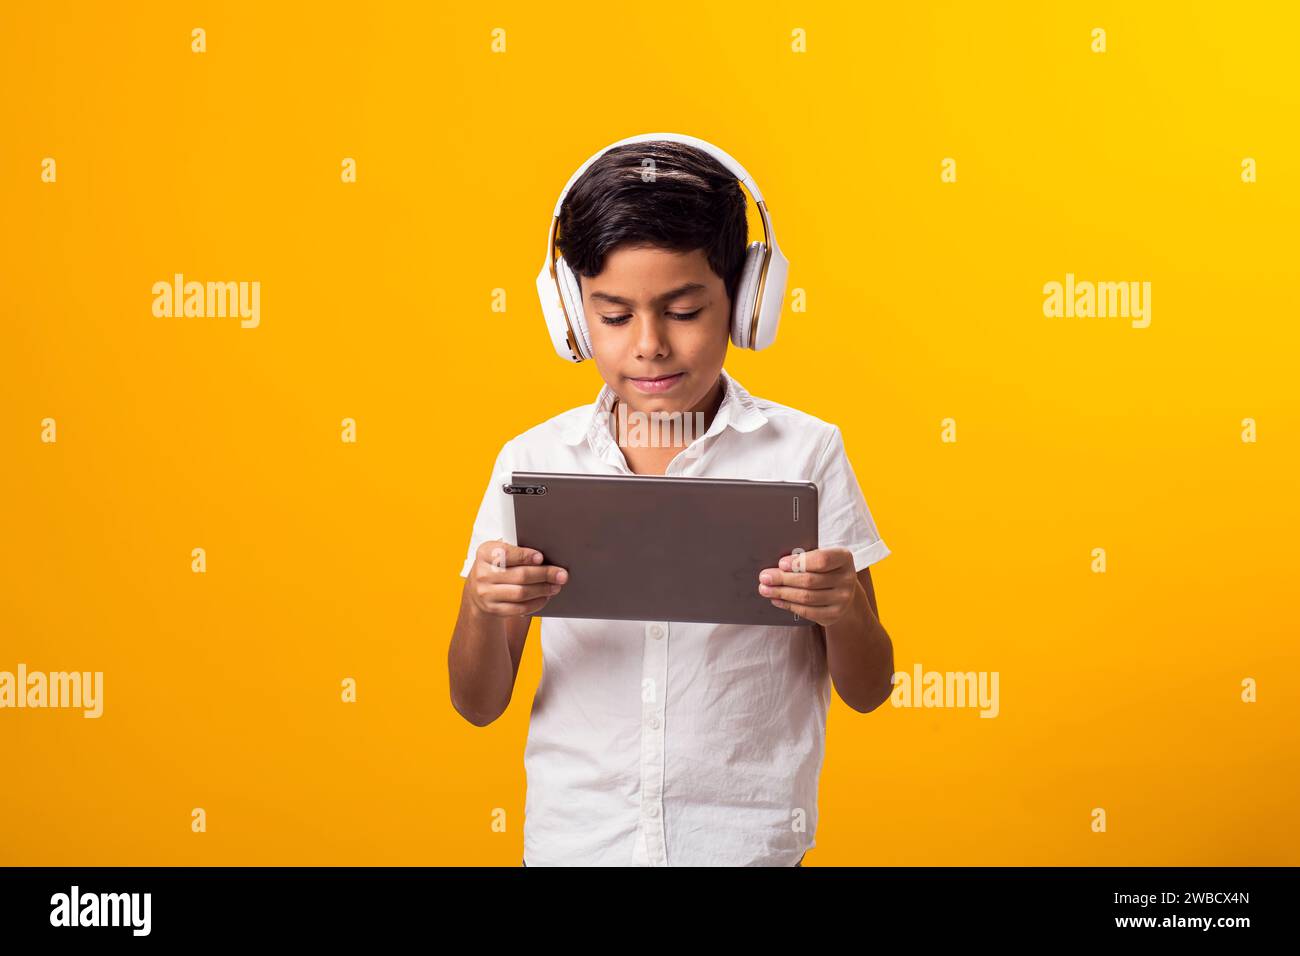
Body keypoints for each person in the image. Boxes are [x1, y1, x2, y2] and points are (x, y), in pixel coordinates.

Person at [448, 136, 894, 866]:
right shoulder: (532, 462)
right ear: (569, 309)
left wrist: (842, 610)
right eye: (614, 317)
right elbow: (477, 704)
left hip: (746, 847)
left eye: (684, 310)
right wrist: (481, 603)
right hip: (575, 845)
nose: (649, 345)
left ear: (748, 304)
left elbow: (870, 687)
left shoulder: (807, 454)